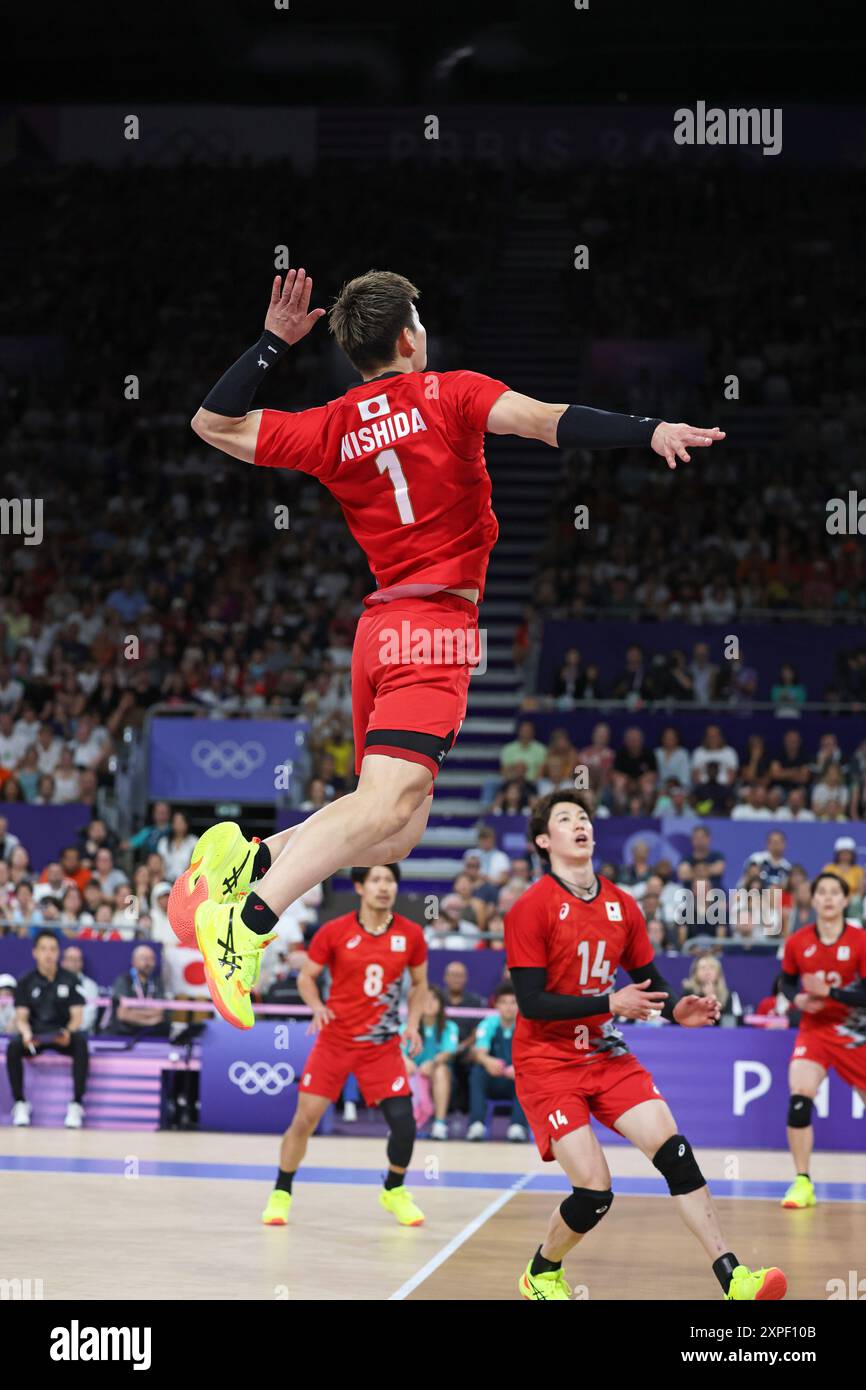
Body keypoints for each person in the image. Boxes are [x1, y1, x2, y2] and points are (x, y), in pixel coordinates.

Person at [167, 264, 724, 1026]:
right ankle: (246, 923)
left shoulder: (331, 424)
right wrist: (649, 430)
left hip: (378, 632)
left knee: (396, 833)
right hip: (433, 630)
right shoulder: (453, 393)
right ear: (407, 338)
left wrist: (271, 342)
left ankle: (244, 860)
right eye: (421, 322)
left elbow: (213, 423)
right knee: (384, 807)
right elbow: (550, 420)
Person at [504, 789, 785, 1302]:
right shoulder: (530, 908)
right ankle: (541, 1271)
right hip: (547, 1063)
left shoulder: (622, 904)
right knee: (594, 1192)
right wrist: (610, 1004)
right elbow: (531, 1003)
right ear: (545, 840)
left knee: (676, 1154)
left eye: (584, 816)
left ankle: (734, 1277)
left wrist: (677, 1008)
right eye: (565, 819)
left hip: (606, 1055)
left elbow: (650, 980)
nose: (579, 823)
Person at [260, 863, 429, 1229]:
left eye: (390, 881)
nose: (385, 887)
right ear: (360, 887)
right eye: (377, 880)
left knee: (404, 1123)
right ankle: (281, 1192)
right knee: (304, 1120)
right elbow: (307, 978)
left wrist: (413, 1024)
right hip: (335, 1040)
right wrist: (317, 1007)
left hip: (382, 1045)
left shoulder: (412, 934)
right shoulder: (334, 932)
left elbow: (419, 985)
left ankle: (394, 1190)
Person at [777, 872, 866, 1211]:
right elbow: (785, 983)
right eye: (822, 892)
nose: (828, 898)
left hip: (853, 1030)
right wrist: (797, 1000)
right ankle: (803, 1182)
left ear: (846, 900)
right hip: (814, 1030)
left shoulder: (860, 940)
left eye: (835, 892)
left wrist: (831, 992)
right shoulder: (798, 941)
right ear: (812, 900)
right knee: (799, 1100)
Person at [7, 929, 89, 1128]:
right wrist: (26, 1034)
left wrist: (68, 1032)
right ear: (35, 952)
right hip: (35, 1037)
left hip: (62, 1035)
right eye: (43, 949)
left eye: (53, 949)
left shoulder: (70, 980)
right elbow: (21, 1017)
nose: (48, 954)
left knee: (81, 1043)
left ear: (58, 953)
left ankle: (76, 1104)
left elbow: (77, 1017)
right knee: (14, 1046)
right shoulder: (25, 982)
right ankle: (20, 1103)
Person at [466, 983, 528, 1142]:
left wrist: (518, 1067)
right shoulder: (488, 1024)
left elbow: (532, 1055)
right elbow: (479, 1052)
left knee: (527, 1075)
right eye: (504, 1002)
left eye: (513, 1002)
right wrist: (488, 1061)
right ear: (497, 1005)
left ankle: (518, 1126)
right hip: (493, 1077)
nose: (508, 1007)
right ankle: (477, 1124)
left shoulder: (527, 1026)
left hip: (515, 1080)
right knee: (477, 1073)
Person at [403, 984, 459, 1140]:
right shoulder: (407, 1027)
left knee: (441, 1071)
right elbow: (396, 1052)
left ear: (441, 1004)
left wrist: (432, 1063)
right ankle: (403, 1124)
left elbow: (448, 1052)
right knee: (399, 1071)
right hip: (411, 1074)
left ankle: (439, 1124)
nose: (429, 1003)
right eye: (425, 999)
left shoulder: (449, 1027)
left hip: (433, 1074)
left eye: (434, 999)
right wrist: (406, 1061)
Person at [108, 944, 170, 1038]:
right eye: (144, 959)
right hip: (126, 1033)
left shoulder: (157, 982)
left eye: (151, 959)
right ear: (134, 962)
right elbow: (122, 1014)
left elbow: (159, 1013)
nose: (148, 963)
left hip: (151, 1034)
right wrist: (150, 1020)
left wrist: (133, 1014)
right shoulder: (124, 981)